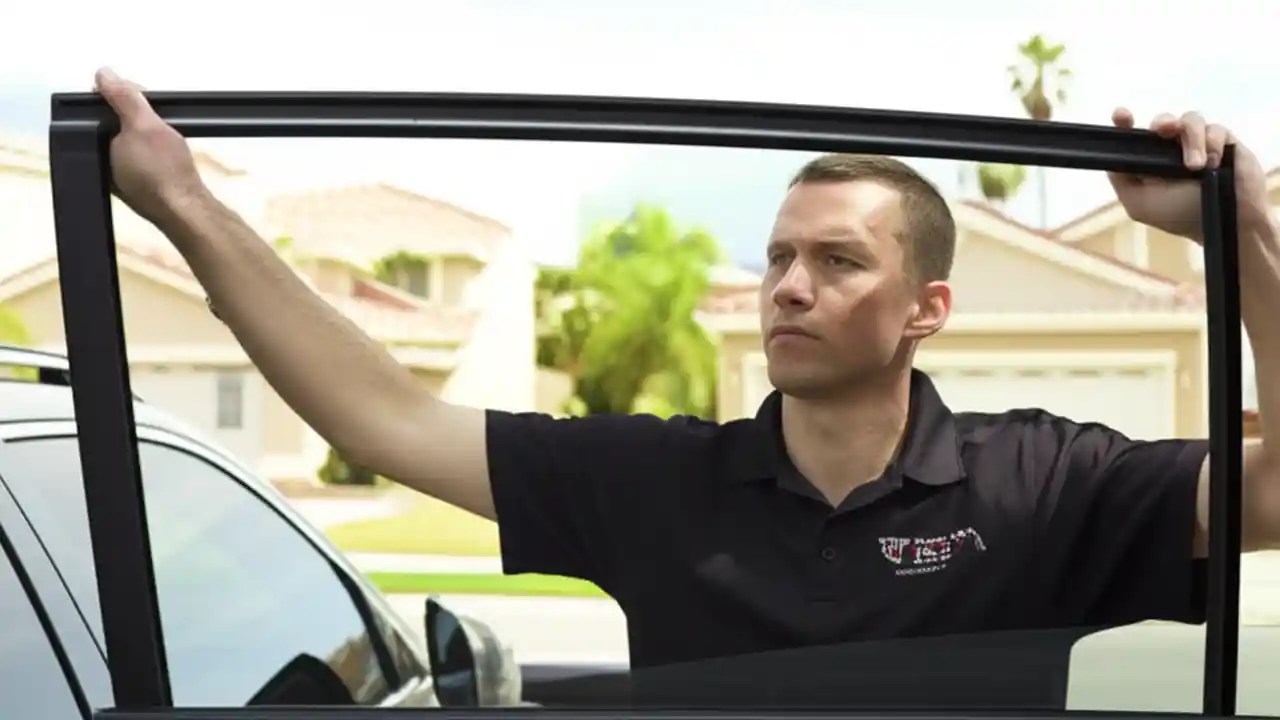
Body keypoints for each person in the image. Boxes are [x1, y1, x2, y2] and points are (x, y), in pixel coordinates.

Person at [92, 68, 1278, 691]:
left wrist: (1244, 238)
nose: (787, 286)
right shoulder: (659, 481)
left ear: (928, 311)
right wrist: (186, 206)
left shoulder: (1043, 478)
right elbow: (386, 416)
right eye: (775, 258)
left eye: (835, 261)